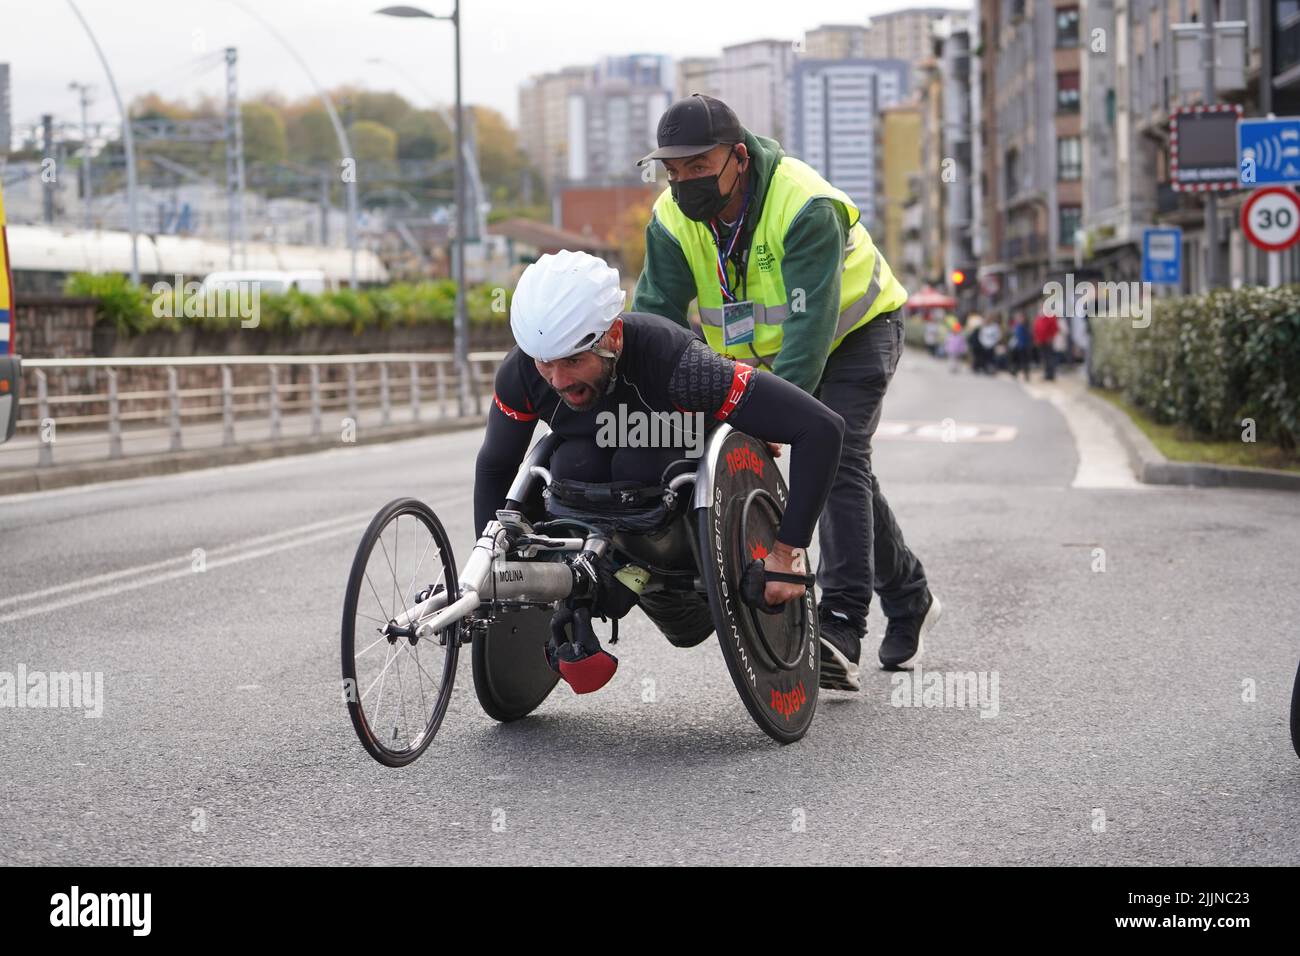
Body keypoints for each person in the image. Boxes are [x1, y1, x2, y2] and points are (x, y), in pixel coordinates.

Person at [631, 93, 939, 689]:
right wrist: (641, 405)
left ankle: (842, 624)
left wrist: (774, 422)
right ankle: (909, 594)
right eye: (673, 170)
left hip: (855, 331)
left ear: (738, 158)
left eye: (698, 166)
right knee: (844, 474)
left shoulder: (804, 204)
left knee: (837, 448)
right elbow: (656, 323)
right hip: (766, 355)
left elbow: (808, 329)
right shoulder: (671, 219)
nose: (684, 181)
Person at [474, 250, 845, 693]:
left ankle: (636, 574)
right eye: (543, 362)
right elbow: (496, 466)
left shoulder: (679, 363)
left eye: (572, 361)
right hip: (594, 485)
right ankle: (589, 589)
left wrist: (788, 551)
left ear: (612, 336)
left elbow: (821, 429)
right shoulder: (522, 371)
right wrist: (492, 565)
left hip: (679, 512)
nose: (554, 379)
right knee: (572, 463)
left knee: (633, 462)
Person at [1033, 309, 1060, 381]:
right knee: (1044, 358)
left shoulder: (1050, 317)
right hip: (1041, 341)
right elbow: (1036, 329)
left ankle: (1051, 374)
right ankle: (1047, 373)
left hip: (1048, 341)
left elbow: (1055, 328)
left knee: (1049, 358)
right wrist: (1036, 339)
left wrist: (1051, 337)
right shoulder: (1039, 317)